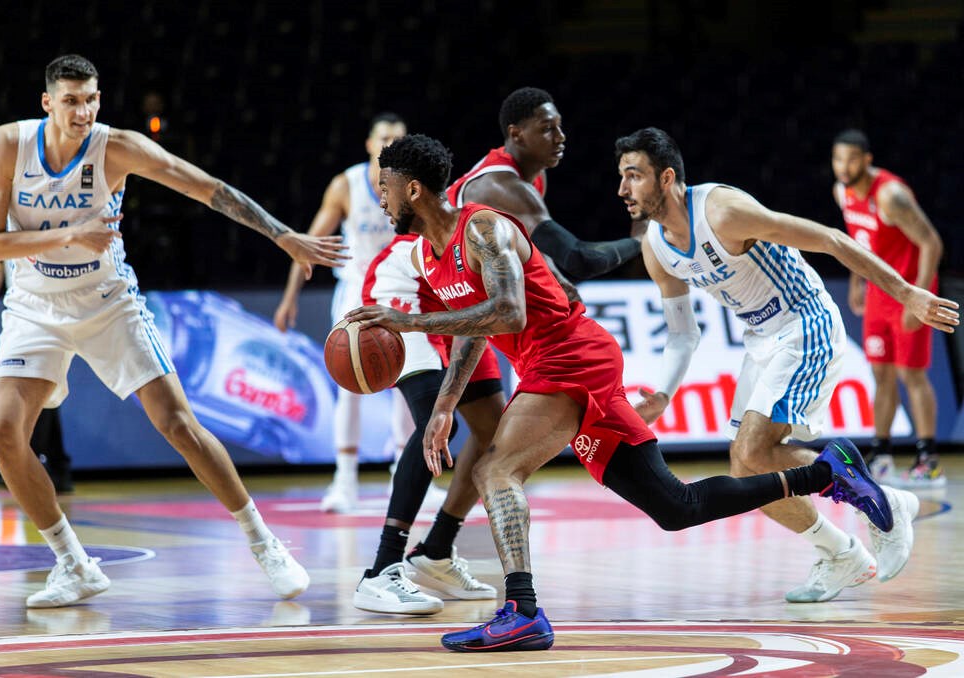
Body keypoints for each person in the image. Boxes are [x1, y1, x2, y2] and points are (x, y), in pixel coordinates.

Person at [346, 133, 905, 652]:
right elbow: (480, 328)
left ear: (412, 189)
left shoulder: (482, 229)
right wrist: (445, 405)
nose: (381, 198)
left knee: (496, 470)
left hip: (568, 357)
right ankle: (828, 471)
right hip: (564, 363)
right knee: (675, 507)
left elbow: (508, 311)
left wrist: (407, 322)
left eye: (385, 187)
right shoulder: (427, 254)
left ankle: (522, 609)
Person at [0, 54, 348, 608]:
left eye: (92, 99)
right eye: (72, 100)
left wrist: (283, 235)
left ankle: (264, 544)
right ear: (47, 102)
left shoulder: (117, 147)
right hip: (34, 308)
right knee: (3, 431)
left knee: (178, 424)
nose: (84, 110)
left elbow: (206, 187)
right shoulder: (6, 145)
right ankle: (73, 564)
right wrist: (73, 232)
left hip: (108, 304)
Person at [617, 127, 956, 603]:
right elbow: (682, 333)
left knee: (755, 450)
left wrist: (906, 292)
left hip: (804, 320)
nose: (622, 189)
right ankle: (841, 553)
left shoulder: (723, 211)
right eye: (621, 177)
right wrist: (666, 394)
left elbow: (832, 239)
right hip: (761, 340)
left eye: (633, 176)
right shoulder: (655, 246)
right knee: (746, 471)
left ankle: (882, 500)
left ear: (666, 177)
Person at [351, 233, 503, 614]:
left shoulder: (533, 181)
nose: (383, 201)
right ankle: (382, 569)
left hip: (457, 298)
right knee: (438, 424)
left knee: (495, 432)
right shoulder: (498, 184)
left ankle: (435, 551)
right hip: (406, 284)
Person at [274, 113, 415, 513]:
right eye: (384, 137)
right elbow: (309, 243)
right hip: (356, 289)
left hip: (401, 291)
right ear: (370, 144)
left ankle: (403, 478)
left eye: (398, 138)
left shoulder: (413, 186)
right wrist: (289, 298)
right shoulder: (347, 184)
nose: (390, 144)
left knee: (409, 385)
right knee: (348, 384)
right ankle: (345, 480)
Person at [831, 129, 946, 488]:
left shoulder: (891, 196)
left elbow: (931, 243)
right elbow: (855, 241)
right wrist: (856, 281)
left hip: (910, 289)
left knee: (911, 375)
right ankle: (881, 454)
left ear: (866, 160)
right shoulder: (842, 192)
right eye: (837, 159)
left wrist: (919, 296)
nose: (843, 166)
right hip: (879, 293)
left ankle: (928, 459)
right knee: (880, 374)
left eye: (851, 159)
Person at [448, 87, 643, 294]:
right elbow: (579, 259)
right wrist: (639, 241)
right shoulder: (503, 187)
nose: (560, 137)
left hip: (459, 271)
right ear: (516, 134)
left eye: (559, 126)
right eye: (547, 129)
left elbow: (535, 242)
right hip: (425, 276)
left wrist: (557, 279)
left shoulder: (535, 172)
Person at [0, 260, 72, 493]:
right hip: (21, 316)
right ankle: (53, 465)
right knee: (37, 392)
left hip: (53, 312)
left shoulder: (47, 228)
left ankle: (38, 463)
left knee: (41, 391)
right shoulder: (5, 229)